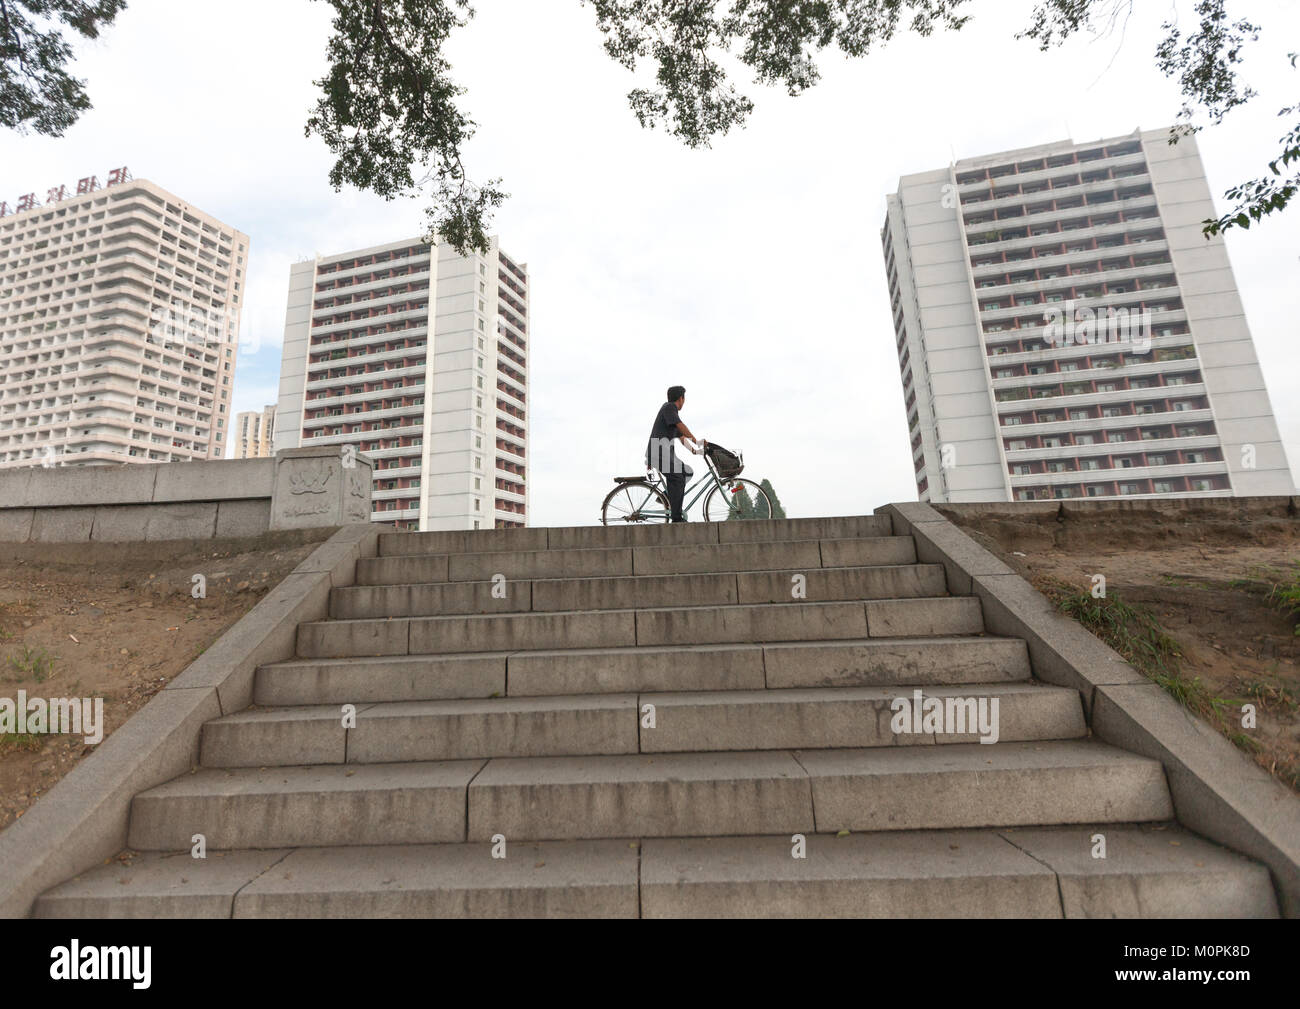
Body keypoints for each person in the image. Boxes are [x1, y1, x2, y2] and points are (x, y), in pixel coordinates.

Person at [646, 385, 705, 523]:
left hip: (665, 454)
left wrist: (695, 451)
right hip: (659, 453)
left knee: (687, 472)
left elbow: (681, 437)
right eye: (684, 399)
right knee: (678, 479)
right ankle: (676, 518)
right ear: (681, 398)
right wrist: (697, 441)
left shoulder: (670, 414)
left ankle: (667, 495)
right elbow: (681, 426)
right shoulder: (669, 408)